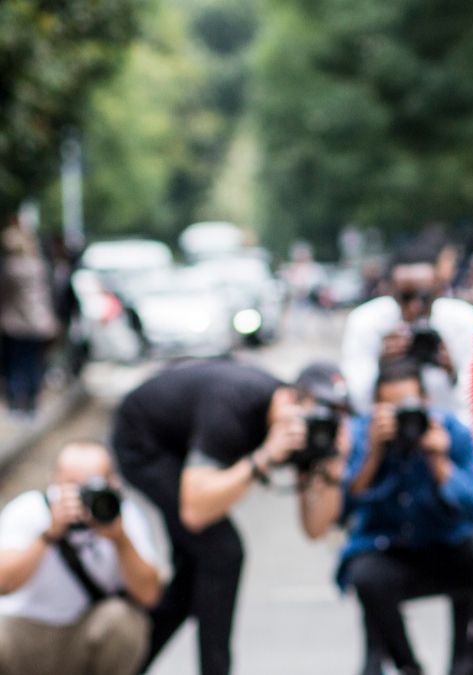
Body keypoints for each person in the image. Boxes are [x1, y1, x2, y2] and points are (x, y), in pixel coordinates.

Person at [111, 360, 349, 675]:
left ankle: (126, 666)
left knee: (192, 577)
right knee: (222, 550)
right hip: (144, 440)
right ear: (287, 399)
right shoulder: (235, 403)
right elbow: (195, 511)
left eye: (335, 417)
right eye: (317, 412)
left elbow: (315, 528)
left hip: (186, 447)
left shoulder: (311, 437)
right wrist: (265, 456)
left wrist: (332, 466)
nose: (320, 424)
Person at [334, 357, 473, 675]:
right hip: (388, 547)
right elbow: (344, 508)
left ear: (425, 402)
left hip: (448, 543)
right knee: (365, 576)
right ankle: (409, 666)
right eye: (391, 409)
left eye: (408, 406)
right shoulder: (362, 434)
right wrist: (374, 455)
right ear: (377, 408)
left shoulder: (450, 432)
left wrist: (440, 462)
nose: (402, 418)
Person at [0, 441, 162, 675]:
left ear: (112, 483)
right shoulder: (29, 510)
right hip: (25, 633)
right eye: (74, 486)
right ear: (55, 482)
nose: (85, 497)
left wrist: (120, 540)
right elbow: (4, 583)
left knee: (124, 620)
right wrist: (48, 535)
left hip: (82, 636)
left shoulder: (122, 516)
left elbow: (150, 595)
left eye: (94, 485)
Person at [341, 250, 473, 424]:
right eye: (406, 297)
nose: (415, 306)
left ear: (439, 290)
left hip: (450, 427)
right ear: (390, 291)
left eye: (424, 297)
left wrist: (452, 373)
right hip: (386, 428)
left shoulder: (463, 320)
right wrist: (381, 364)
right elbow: (358, 401)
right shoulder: (367, 322)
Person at [0, 214, 59, 420]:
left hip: (15, 324)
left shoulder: (10, 268)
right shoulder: (38, 266)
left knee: (17, 364)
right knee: (33, 363)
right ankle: (32, 405)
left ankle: (18, 404)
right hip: (38, 323)